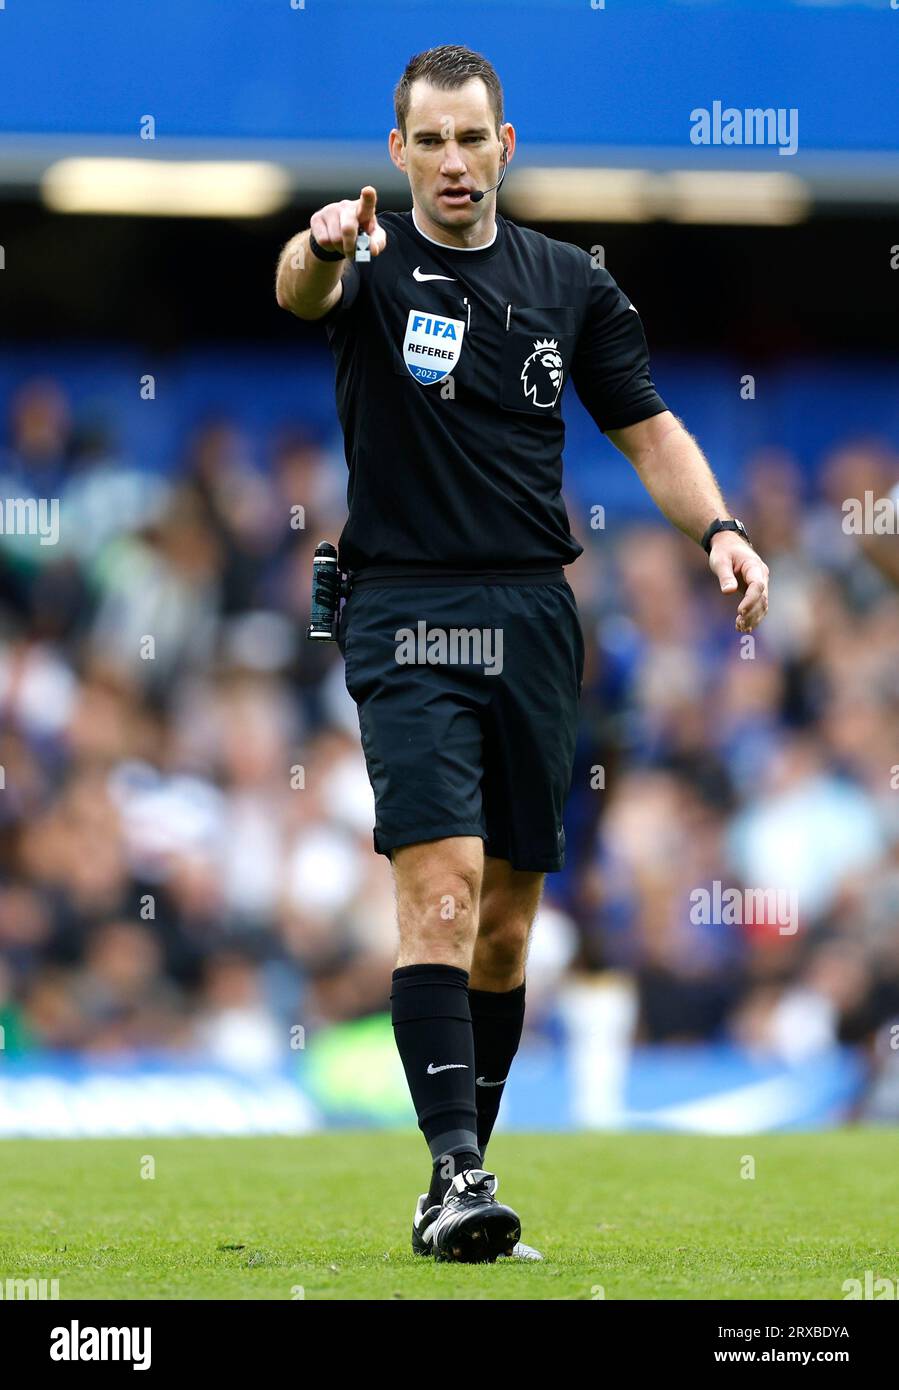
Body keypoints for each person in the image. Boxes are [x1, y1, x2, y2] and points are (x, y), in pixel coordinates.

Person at [275, 44, 769, 1263]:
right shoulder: (367, 267)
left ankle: (460, 1179)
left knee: (503, 927)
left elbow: (646, 429)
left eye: (470, 138)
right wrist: (324, 239)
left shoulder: (567, 285)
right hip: (402, 610)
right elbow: (295, 289)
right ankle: (452, 1170)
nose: (451, 161)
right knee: (436, 888)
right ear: (397, 153)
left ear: (506, 144)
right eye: (427, 140)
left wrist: (717, 527)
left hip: (533, 616)